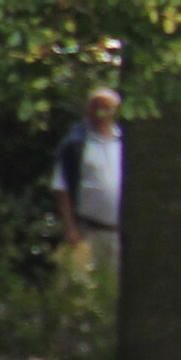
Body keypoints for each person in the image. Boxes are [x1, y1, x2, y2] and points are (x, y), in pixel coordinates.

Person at [52, 87, 125, 271]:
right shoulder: (75, 144)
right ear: (88, 109)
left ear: (115, 111)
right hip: (88, 231)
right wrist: (70, 227)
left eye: (106, 107)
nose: (100, 111)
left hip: (122, 232)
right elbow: (62, 188)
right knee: (87, 282)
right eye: (95, 106)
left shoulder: (125, 143)